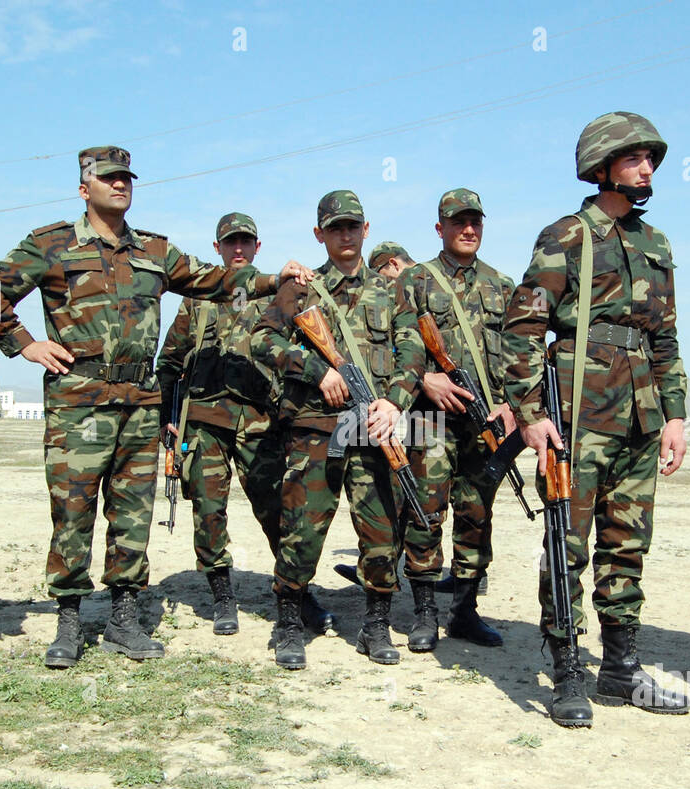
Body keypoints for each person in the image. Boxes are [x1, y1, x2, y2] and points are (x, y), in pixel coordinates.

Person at [0, 147, 311, 668]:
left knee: (132, 513)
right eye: (108, 178)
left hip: (141, 400)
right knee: (72, 511)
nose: (120, 186)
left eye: (126, 178)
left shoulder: (155, 250)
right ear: (83, 186)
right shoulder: (51, 244)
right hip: (79, 401)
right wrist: (25, 343)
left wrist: (275, 280)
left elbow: (214, 280)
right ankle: (69, 620)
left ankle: (123, 619)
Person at [502, 111, 690, 729]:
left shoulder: (656, 243)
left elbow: (664, 338)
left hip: (640, 416)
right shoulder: (565, 237)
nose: (647, 169)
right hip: (577, 417)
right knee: (568, 544)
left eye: (652, 160)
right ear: (603, 165)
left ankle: (621, 669)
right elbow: (524, 327)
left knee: (627, 545)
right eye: (635, 159)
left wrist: (674, 416)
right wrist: (531, 415)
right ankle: (567, 673)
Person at [252, 190, 423, 670]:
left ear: (366, 230)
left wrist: (396, 402)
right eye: (335, 228)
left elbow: (412, 352)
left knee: (381, 530)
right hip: (317, 428)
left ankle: (375, 625)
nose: (345, 235)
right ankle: (288, 623)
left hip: (375, 427)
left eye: (353, 226)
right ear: (319, 235)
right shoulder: (301, 288)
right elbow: (260, 339)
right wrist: (314, 370)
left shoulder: (394, 290)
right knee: (302, 528)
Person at [155, 213, 334, 636]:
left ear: (258, 247)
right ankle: (222, 598)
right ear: (216, 248)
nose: (239, 249)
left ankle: (297, 593)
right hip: (204, 421)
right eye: (230, 242)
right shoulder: (197, 300)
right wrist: (168, 420)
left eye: (246, 242)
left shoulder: (275, 298)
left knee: (280, 511)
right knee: (209, 511)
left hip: (261, 420)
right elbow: (170, 363)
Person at [396, 188, 515, 652]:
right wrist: (425, 378)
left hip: (487, 423)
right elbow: (391, 344)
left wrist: (510, 405)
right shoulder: (413, 282)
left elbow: (518, 355)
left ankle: (464, 611)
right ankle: (425, 613)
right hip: (430, 421)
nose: (468, 230)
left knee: (476, 513)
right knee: (425, 511)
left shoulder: (503, 287)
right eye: (458, 222)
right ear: (439, 227)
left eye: (475, 222)